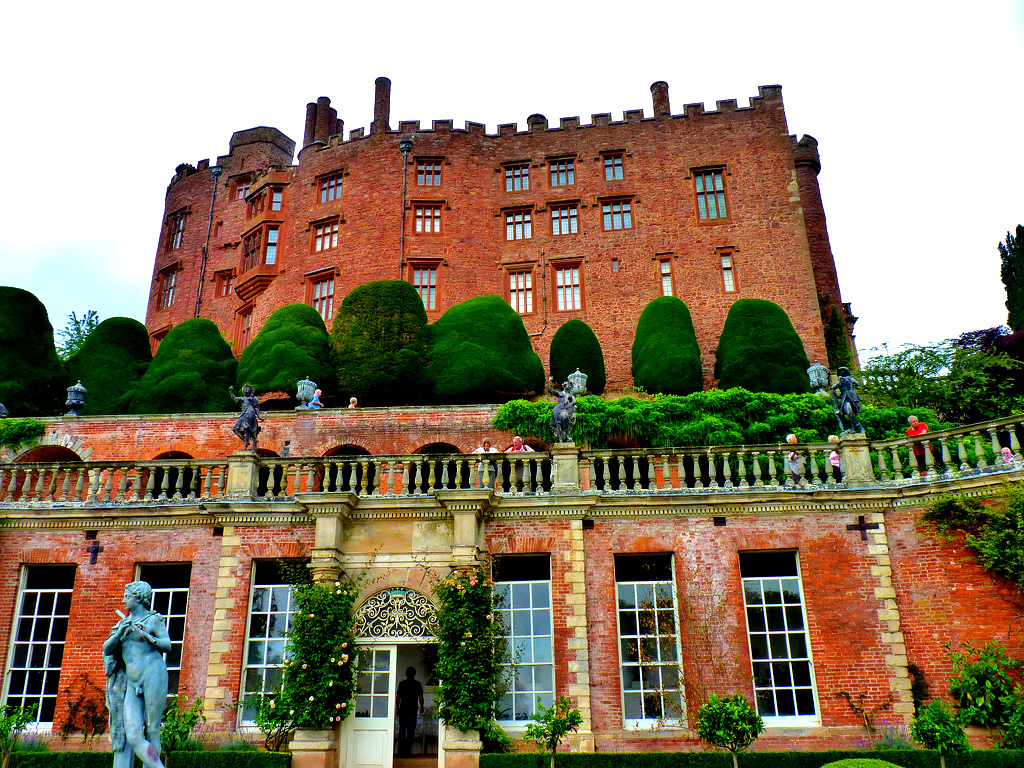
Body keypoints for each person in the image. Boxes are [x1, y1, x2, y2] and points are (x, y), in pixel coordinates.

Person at [104, 580, 172, 768]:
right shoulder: (122, 623)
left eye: (128, 596)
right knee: (133, 735)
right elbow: (107, 649)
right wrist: (119, 634)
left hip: (153, 676)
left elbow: (167, 645)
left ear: (140, 598)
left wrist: (150, 638)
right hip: (132, 683)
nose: (124, 600)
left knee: (153, 730)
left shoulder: (153, 620)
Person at [395, 666, 424, 758]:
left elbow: (398, 698)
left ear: (406, 674)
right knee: (410, 733)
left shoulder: (402, 684)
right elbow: (420, 697)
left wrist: (397, 708)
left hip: (403, 710)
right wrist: (422, 707)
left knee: (402, 731)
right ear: (414, 674)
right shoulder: (417, 684)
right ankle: (408, 753)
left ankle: (400, 753)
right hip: (412, 711)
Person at [229, 384, 262, 450]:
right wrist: (231, 391)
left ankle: (246, 444)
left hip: (250, 413)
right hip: (244, 414)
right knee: (235, 429)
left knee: (247, 429)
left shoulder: (254, 399)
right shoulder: (244, 398)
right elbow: (234, 398)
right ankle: (246, 441)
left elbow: (256, 408)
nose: (246, 391)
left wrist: (259, 416)